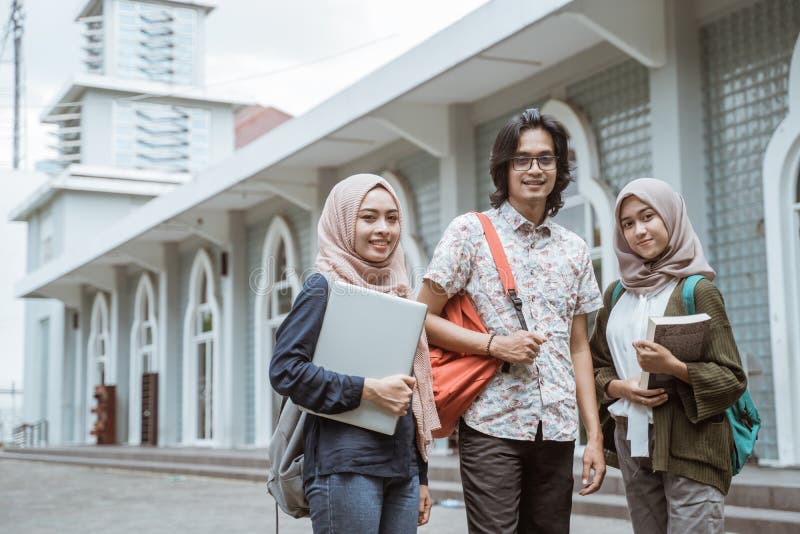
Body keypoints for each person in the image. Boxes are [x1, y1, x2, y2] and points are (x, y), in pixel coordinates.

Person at [417, 108, 606, 534]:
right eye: (522, 159)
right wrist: (493, 346)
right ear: (503, 169)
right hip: (492, 424)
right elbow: (420, 317)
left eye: (546, 158)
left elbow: (579, 347)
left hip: (556, 429)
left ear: (559, 168)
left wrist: (593, 436)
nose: (534, 169)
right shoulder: (470, 232)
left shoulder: (574, 249)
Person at [269, 174, 440, 534]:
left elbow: (410, 394)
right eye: (368, 217)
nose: (383, 229)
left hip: (401, 471)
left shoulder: (399, 293)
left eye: (392, 218)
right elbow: (285, 370)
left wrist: (420, 475)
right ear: (344, 222)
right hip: (345, 467)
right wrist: (366, 390)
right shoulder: (324, 288)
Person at [590, 178, 747, 533]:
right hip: (632, 439)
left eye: (648, 217)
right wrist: (618, 388)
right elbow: (595, 366)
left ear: (671, 218)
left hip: (691, 441)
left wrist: (674, 368)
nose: (638, 231)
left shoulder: (697, 290)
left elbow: (732, 378)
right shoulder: (616, 295)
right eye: (627, 224)